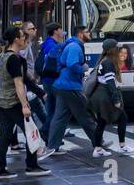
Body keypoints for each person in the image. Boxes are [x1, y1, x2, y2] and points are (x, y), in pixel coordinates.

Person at [0, 25, 50, 180]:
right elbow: (19, 83)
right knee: (31, 131)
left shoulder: (4, 56)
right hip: (14, 103)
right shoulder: (14, 59)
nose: (25, 39)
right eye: (22, 36)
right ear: (16, 39)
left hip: (3, 102)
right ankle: (32, 166)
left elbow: (25, 81)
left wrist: (40, 93)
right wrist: (25, 105)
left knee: (4, 136)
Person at [44, 25, 103, 154]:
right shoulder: (75, 47)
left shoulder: (72, 45)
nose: (90, 35)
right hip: (70, 86)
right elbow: (72, 64)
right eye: (87, 32)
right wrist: (84, 68)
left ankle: (52, 146)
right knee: (85, 116)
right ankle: (99, 142)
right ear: (81, 34)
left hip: (62, 85)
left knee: (60, 117)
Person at [89, 41, 134, 156]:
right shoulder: (109, 63)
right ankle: (122, 146)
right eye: (117, 48)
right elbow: (110, 83)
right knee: (122, 118)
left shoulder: (103, 60)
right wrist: (116, 100)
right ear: (112, 49)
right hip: (105, 95)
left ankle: (98, 149)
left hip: (99, 94)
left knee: (102, 121)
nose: (119, 50)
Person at [36, 23, 64, 141]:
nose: (62, 32)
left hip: (50, 80)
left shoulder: (49, 43)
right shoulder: (50, 44)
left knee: (53, 110)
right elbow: (55, 59)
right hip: (52, 80)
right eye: (61, 29)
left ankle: (49, 133)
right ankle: (47, 132)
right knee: (56, 111)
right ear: (56, 31)